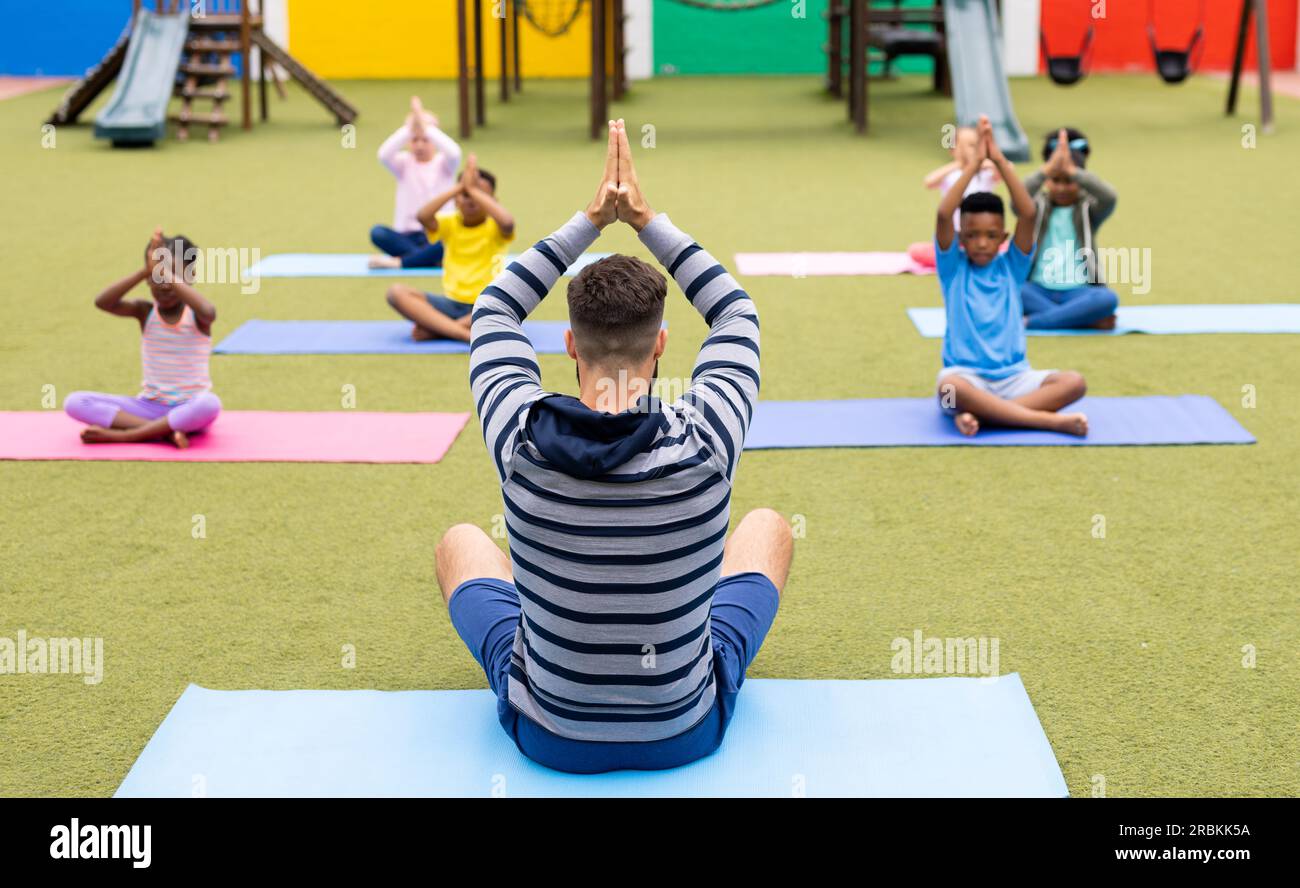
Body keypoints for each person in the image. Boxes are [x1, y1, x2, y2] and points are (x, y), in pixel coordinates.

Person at [435, 119, 793, 774]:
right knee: (768, 527)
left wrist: (590, 220)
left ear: (569, 345)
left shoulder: (520, 440)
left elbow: (493, 309)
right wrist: (646, 219)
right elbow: (737, 311)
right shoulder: (708, 439)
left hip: (548, 733)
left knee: (462, 541)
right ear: (660, 345)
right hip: (685, 729)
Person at [934, 116, 1089, 438]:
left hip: (1016, 379)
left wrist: (1000, 161)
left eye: (991, 236)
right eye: (973, 235)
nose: (981, 243)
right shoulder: (953, 269)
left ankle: (983, 417)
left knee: (1074, 382)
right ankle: (1045, 421)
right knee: (948, 389)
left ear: (1003, 236)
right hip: (966, 379)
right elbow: (944, 214)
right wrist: (974, 164)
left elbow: (1028, 213)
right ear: (961, 238)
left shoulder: (1012, 266)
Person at [65, 228, 221, 448]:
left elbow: (209, 311)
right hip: (148, 408)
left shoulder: (197, 316)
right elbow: (103, 302)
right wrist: (143, 271)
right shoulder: (144, 311)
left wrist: (164, 271)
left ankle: (129, 435)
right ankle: (165, 433)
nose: (163, 283)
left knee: (210, 404)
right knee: (75, 402)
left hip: (190, 408)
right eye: (156, 275)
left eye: (171, 274)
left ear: (190, 276)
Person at [384, 154, 514, 342]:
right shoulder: (449, 223)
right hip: (450, 304)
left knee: (510, 304)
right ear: (455, 199)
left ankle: (437, 328)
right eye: (466, 195)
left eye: (480, 195)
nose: (471, 200)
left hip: (487, 302)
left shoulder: (496, 227)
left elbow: (508, 222)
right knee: (396, 293)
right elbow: (423, 216)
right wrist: (460, 187)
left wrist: (470, 188)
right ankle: (461, 332)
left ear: (493, 201)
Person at [1019, 127, 1120, 330]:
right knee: (1009, 288)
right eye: (1055, 180)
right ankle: (1085, 319)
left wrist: (1072, 170)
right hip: (1037, 289)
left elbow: (1110, 197)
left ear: (1081, 181)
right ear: (1047, 180)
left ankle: (1035, 321)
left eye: (1070, 181)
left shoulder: (1089, 209)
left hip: (1080, 291)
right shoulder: (1035, 208)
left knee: (1107, 299)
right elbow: (1017, 195)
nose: (1062, 188)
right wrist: (1048, 168)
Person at [368, 95, 462, 269]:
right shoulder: (403, 163)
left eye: (425, 140)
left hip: (437, 232)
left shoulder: (444, 164)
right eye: (414, 140)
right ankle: (428, 259)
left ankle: (402, 262)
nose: (419, 145)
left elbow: (454, 151)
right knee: (378, 233)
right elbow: (383, 154)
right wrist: (410, 127)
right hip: (407, 236)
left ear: (434, 139)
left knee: (449, 241)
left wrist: (425, 126)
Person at [909, 124, 1002, 268]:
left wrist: (984, 161)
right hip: (955, 237)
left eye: (974, 145)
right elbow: (929, 181)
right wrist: (958, 164)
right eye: (967, 145)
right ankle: (959, 257)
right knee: (916, 251)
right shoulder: (951, 175)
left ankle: (966, 257)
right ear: (953, 149)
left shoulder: (986, 172)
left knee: (1006, 247)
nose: (971, 150)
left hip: (982, 236)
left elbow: (1006, 170)